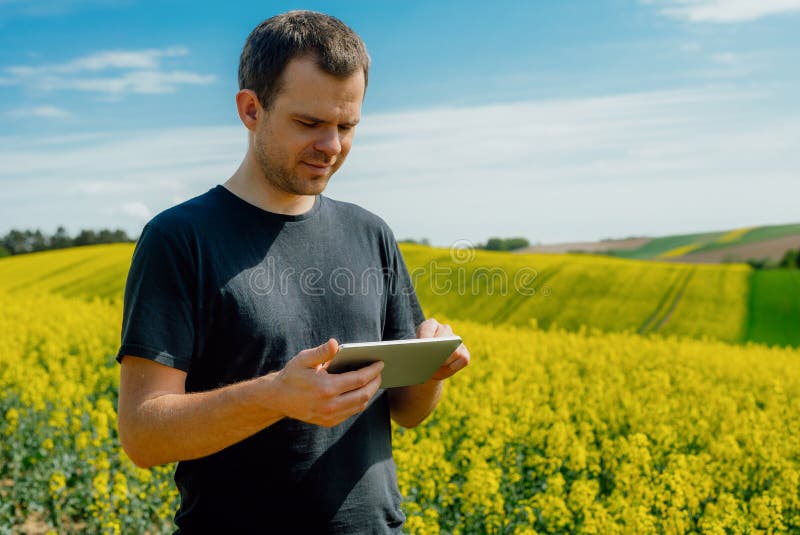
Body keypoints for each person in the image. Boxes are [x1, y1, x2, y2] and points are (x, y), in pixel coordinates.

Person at [116, 10, 470, 534]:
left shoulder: (371, 233)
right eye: (309, 123)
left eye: (347, 126)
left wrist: (431, 369)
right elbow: (143, 435)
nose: (331, 146)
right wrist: (275, 396)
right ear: (251, 109)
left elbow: (407, 412)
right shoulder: (180, 239)